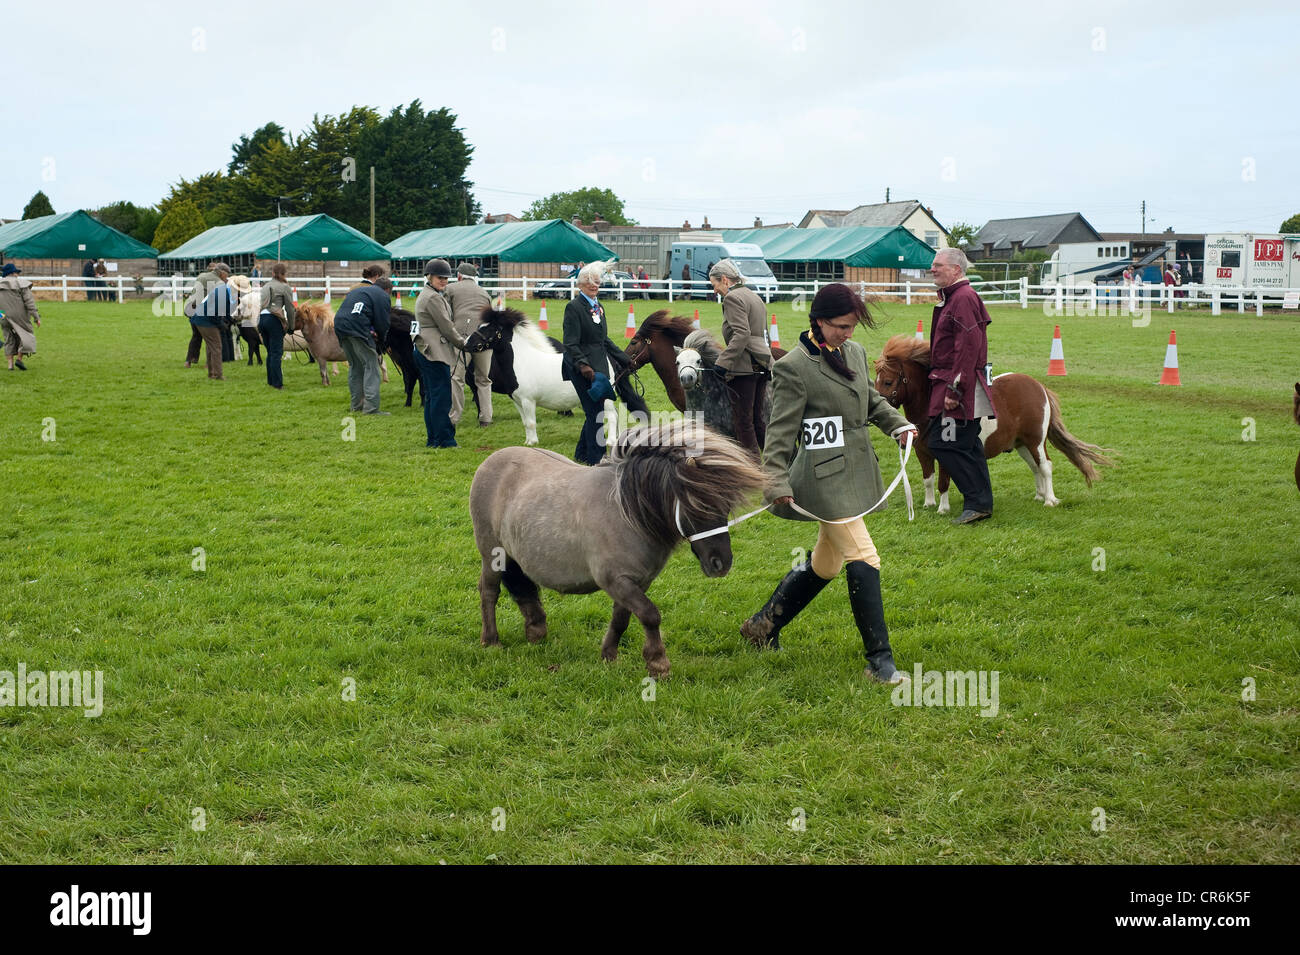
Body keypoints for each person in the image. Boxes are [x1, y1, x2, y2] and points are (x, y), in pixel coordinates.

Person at [741, 282, 918, 685]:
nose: (848, 333)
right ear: (818, 320)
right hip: (823, 482)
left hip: (857, 471)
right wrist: (776, 481)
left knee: (827, 563)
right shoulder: (794, 367)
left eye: (853, 326)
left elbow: (871, 402)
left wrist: (898, 426)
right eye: (840, 325)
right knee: (865, 557)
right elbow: (781, 432)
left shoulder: (853, 352)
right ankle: (880, 663)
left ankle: (762, 626)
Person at [926, 247, 994, 524]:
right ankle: (980, 503)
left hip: (957, 387)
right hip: (954, 382)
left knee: (944, 444)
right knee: (966, 445)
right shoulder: (956, 298)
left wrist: (956, 390)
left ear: (956, 269)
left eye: (938, 265)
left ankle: (976, 502)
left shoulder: (963, 298)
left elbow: (968, 347)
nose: (933, 269)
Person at [562, 260, 631, 465]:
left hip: (597, 367)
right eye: (590, 282)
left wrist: (625, 359)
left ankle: (582, 453)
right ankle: (596, 459)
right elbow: (570, 343)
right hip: (580, 368)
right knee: (596, 413)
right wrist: (584, 367)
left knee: (595, 410)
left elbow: (604, 340)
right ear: (580, 285)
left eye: (597, 282)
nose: (594, 286)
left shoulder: (598, 307)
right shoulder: (573, 307)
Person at [414, 259, 486, 446]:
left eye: (446, 278)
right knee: (442, 398)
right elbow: (446, 326)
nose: (444, 281)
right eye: (440, 277)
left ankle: (434, 438)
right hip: (435, 350)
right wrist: (463, 344)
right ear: (429, 276)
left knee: (433, 397)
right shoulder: (433, 298)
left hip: (427, 348)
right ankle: (445, 439)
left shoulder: (431, 293)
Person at [709, 259, 773, 458]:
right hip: (763, 362)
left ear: (725, 280)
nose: (715, 290)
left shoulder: (732, 298)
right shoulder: (754, 296)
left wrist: (722, 363)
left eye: (715, 285)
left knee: (743, 421)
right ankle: (774, 460)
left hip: (744, 367)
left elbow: (742, 334)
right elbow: (763, 334)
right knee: (757, 420)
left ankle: (751, 467)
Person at [333, 270, 393, 415]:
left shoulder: (359, 291)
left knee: (355, 366)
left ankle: (356, 405)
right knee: (371, 366)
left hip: (340, 325)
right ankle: (371, 409)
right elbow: (382, 322)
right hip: (357, 328)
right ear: (388, 290)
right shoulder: (383, 296)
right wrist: (382, 343)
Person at [444, 263, 494, 428]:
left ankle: (454, 417)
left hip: (462, 337)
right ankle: (486, 417)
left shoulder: (450, 289)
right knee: (484, 379)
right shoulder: (485, 293)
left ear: (459, 276)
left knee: (457, 378)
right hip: (485, 339)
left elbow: (445, 313)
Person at [190, 262, 237, 380]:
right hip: (206, 319)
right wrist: (220, 324)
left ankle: (211, 373)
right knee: (217, 347)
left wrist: (230, 320)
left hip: (198, 316)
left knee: (211, 346)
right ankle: (218, 375)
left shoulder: (208, 281)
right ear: (222, 274)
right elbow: (215, 312)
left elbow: (223, 310)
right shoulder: (221, 287)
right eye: (227, 276)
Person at [257, 261, 296, 390]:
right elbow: (290, 309)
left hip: (262, 319)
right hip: (274, 320)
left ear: (273, 273)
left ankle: (270, 381)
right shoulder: (285, 287)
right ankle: (277, 384)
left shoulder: (265, 286)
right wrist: (291, 326)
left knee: (270, 352)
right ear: (284, 274)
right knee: (276, 353)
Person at [0, 263, 41, 371]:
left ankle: (10, 365)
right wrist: (36, 317)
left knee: (8, 338)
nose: (18, 275)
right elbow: (29, 302)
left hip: (2, 314)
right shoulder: (21, 284)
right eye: (16, 272)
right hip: (19, 315)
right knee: (26, 335)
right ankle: (19, 359)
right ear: (13, 273)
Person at [184, 261, 221, 367]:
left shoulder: (201, 276)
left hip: (193, 309)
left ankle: (190, 360)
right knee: (209, 338)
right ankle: (207, 363)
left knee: (196, 336)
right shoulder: (215, 280)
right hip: (204, 311)